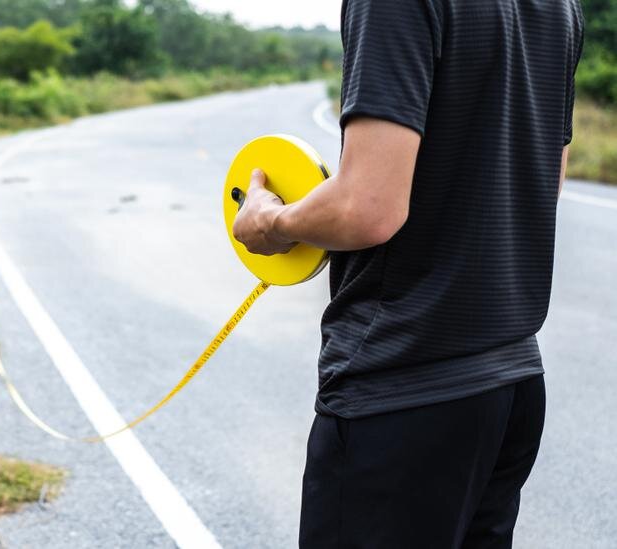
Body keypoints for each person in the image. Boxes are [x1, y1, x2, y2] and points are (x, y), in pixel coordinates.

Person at [232, 0, 583, 546]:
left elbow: (366, 207)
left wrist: (272, 222)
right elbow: (544, 183)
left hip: (403, 388)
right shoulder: (560, 6)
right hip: (509, 385)